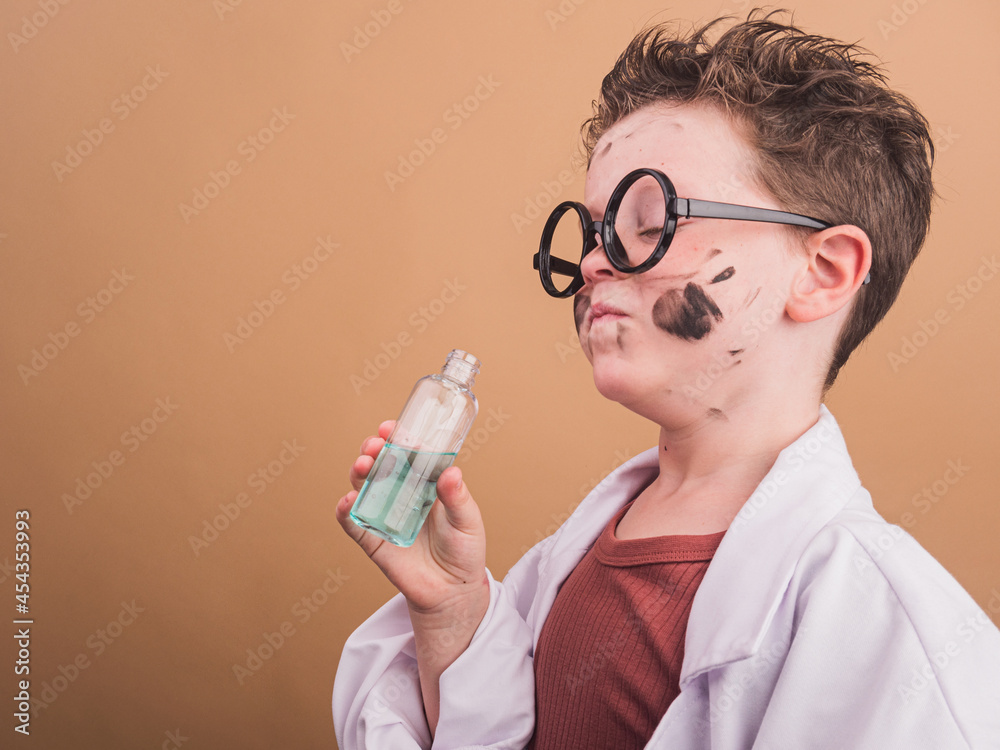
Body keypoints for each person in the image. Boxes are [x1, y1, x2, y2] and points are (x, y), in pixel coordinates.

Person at [333, 10, 1000, 749]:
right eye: (593, 231)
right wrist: (454, 611)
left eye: (651, 223)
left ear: (821, 273)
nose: (592, 262)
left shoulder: (892, 631)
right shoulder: (586, 547)